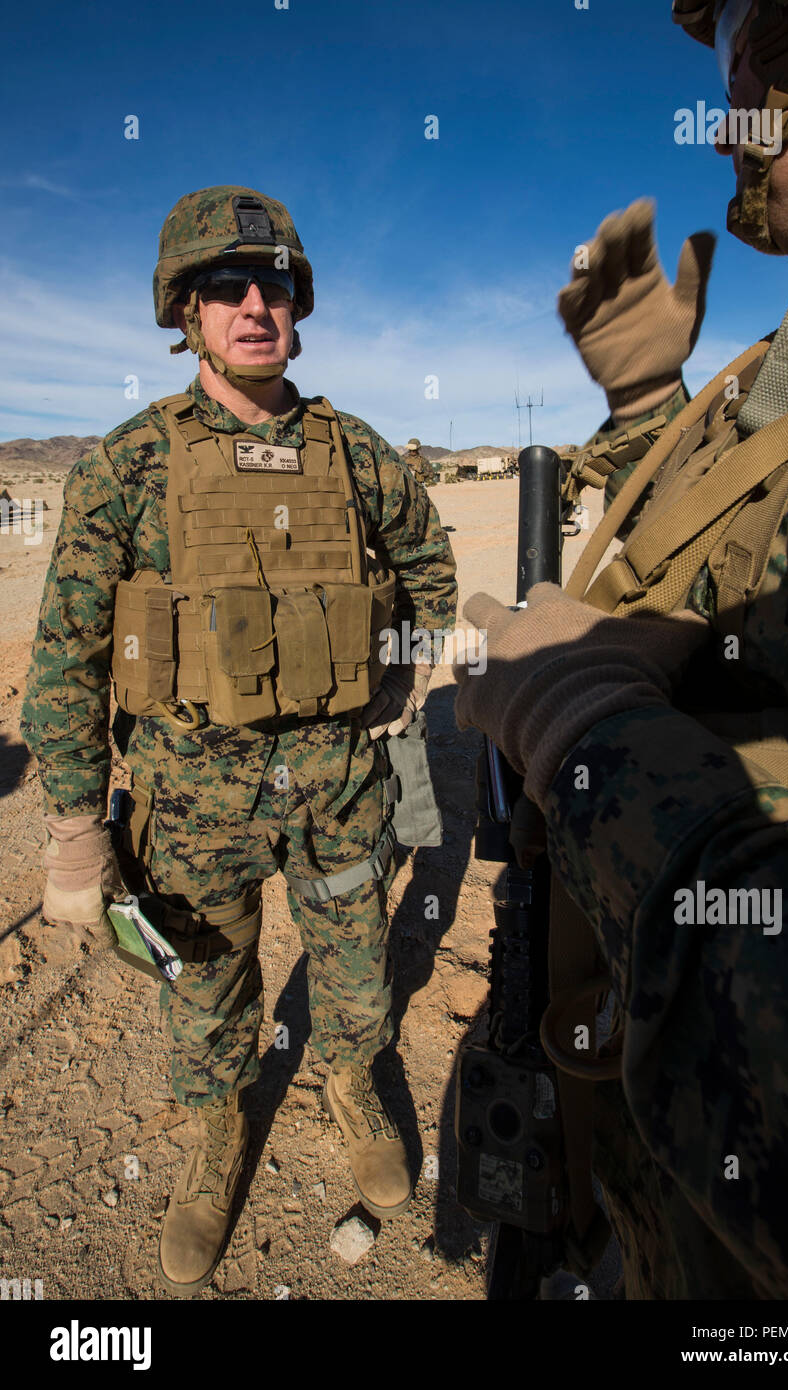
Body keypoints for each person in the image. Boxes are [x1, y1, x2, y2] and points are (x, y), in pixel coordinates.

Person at [454, 0, 788, 1300]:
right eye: (732, 35)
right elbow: (721, 529)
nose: (745, 83)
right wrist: (643, 405)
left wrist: (594, 746)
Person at [20, 185, 457, 1297]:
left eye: (274, 282)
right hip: (189, 800)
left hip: (338, 789)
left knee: (355, 972)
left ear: (298, 304)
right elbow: (67, 652)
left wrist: (389, 680)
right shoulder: (128, 462)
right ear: (186, 310)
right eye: (226, 284)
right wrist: (75, 826)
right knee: (204, 990)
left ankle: (351, 1082)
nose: (254, 301)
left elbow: (428, 573)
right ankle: (219, 1131)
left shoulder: (355, 452)